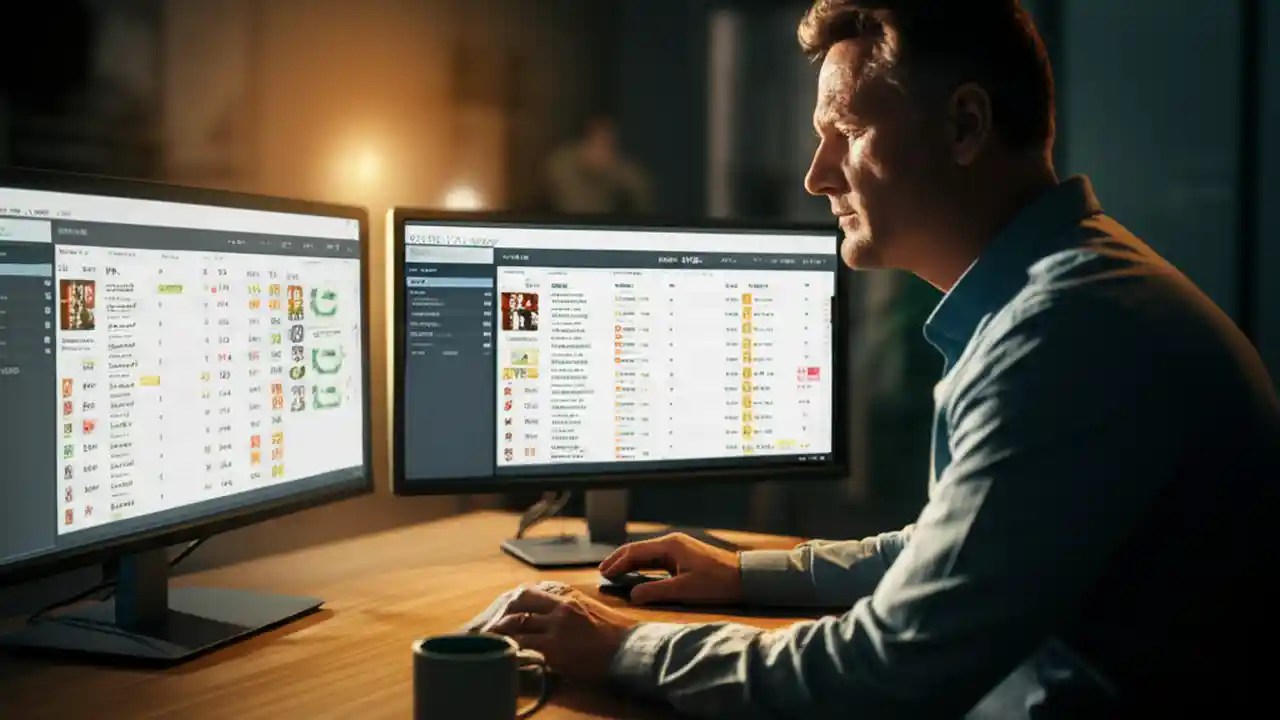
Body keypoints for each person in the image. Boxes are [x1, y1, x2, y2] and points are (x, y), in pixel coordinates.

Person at [477, 1, 1280, 716]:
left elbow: (887, 670)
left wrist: (621, 647)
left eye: (848, 133)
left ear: (966, 125)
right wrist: (745, 574)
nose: (817, 174)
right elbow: (950, 553)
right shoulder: (1070, 291)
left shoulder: (1063, 333)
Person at [545, 114, 651, 215]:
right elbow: (566, 201)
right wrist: (584, 168)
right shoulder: (563, 160)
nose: (603, 142)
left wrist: (613, 171)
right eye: (598, 135)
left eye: (608, 137)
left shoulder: (617, 164)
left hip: (603, 224)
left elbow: (643, 195)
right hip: (566, 225)